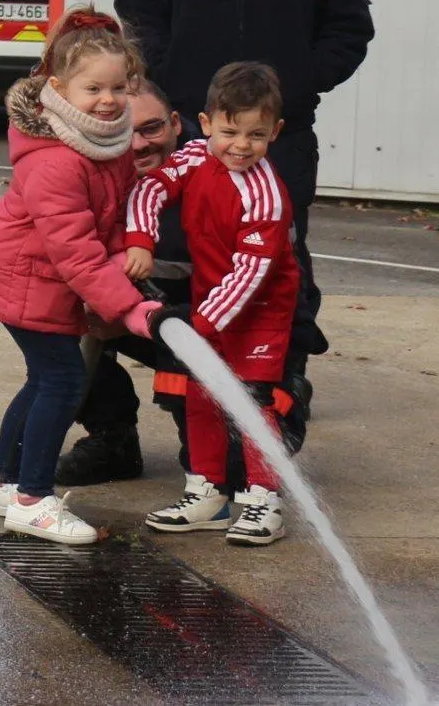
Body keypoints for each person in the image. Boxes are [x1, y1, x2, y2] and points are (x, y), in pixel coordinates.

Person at [114, 0, 374, 396]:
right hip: (198, 136)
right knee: (189, 252)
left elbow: (350, 29)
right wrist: (172, 82)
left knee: (281, 257)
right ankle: (192, 381)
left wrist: (304, 83)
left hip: (279, 139)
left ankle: (284, 383)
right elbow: (137, 15)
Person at [0, 7, 163, 545]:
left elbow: (118, 211)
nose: (108, 99)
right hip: (28, 279)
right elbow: (74, 249)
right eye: (92, 88)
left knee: (44, 379)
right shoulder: (55, 158)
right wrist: (127, 307)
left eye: (118, 87)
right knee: (62, 381)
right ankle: (32, 499)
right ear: (57, 88)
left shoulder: (107, 136)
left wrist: (134, 246)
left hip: (48, 278)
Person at [126, 62, 299, 547]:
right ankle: (207, 492)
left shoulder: (265, 196)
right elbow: (151, 186)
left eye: (256, 135)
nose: (241, 145)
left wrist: (201, 324)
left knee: (255, 403)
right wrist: (141, 239)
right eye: (229, 131)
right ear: (205, 125)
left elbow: (251, 274)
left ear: (275, 133)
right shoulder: (194, 157)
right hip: (211, 303)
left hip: (260, 314)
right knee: (200, 394)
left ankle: (263, 500)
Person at [54, 79, 191, 486]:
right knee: (53, 320)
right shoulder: (89, 183)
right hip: (134, 319)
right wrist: (107, 307)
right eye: (124, 131)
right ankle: (112, 439)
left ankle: (222, 446)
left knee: (233, 469)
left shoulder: (221, 186)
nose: (138, 145)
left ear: (178, 124)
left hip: (217, 329)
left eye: (151, 128)